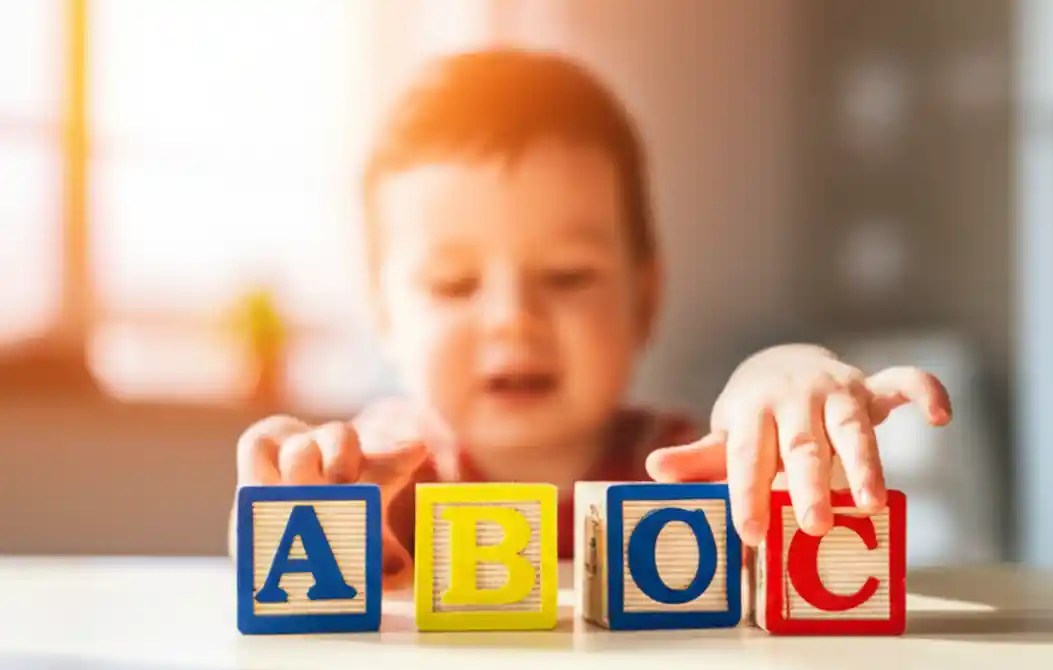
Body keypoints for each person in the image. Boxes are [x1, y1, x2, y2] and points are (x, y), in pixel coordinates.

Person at [233, 49, 951, 589]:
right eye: (454, 284)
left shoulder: (691, 468)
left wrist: (782, 379)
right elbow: (276, 576)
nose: (514, 320)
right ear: (384, 317)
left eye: (568, 276)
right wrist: (287, 497)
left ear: (644, 300)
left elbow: (802, 551)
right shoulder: (383, 471)